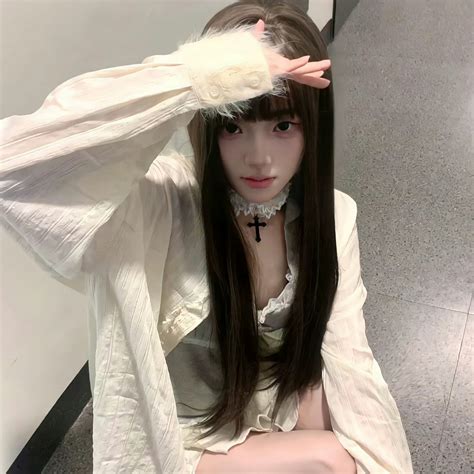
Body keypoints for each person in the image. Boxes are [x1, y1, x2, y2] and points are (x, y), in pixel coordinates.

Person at [0, 1, 413, 472]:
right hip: (186, 431)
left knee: (348, 429)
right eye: (233, 126)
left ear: (312, 126)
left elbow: (353, 361)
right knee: (331, 459)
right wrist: (203, 75)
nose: (259, 158)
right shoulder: (163, 201)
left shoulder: (333, 215)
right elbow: (14, 164)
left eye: (283, 125)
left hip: (261, 395)